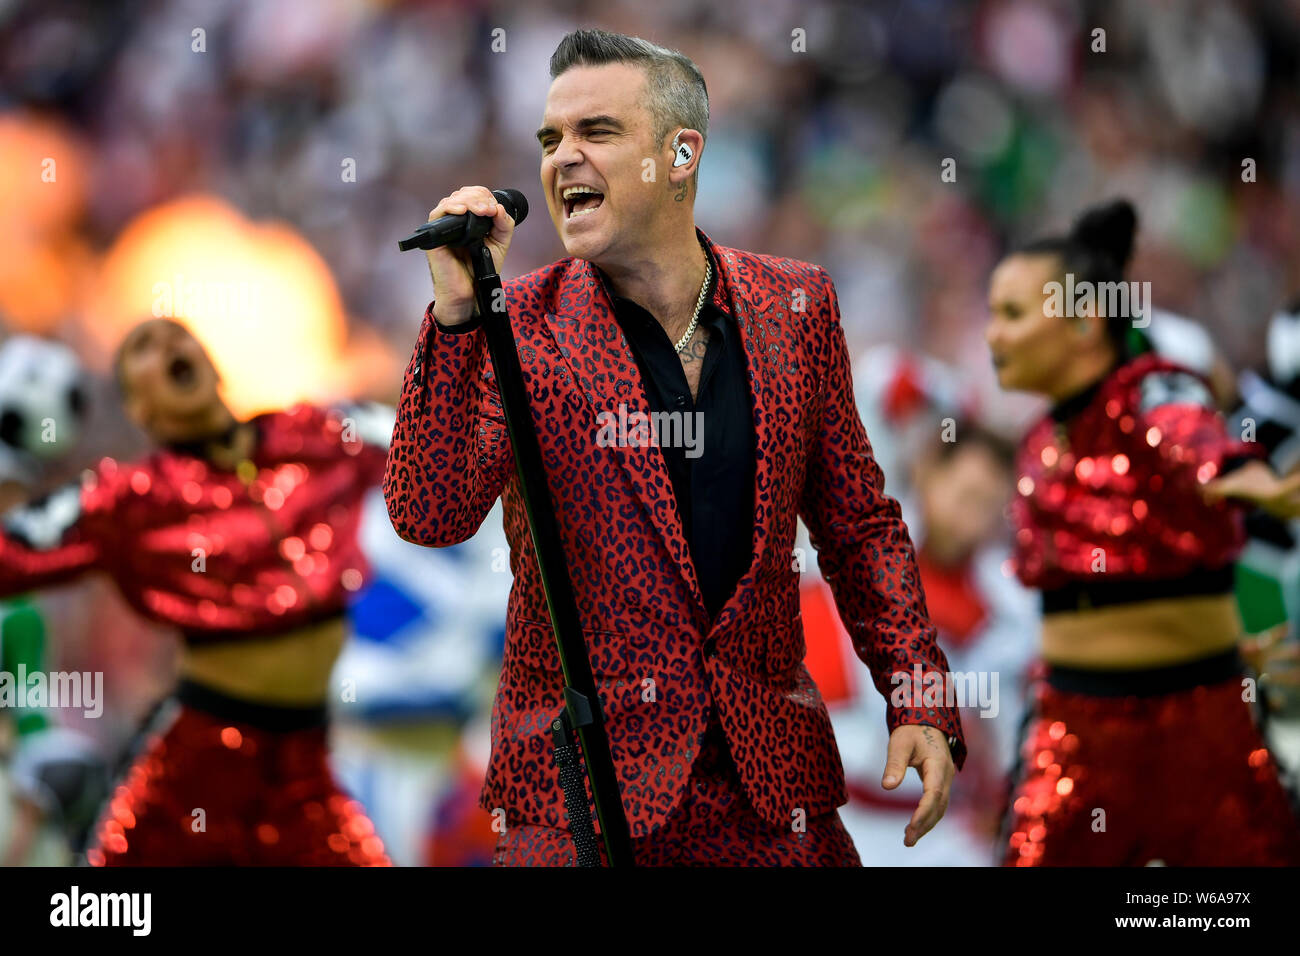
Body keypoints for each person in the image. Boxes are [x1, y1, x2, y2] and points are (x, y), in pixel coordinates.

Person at [384, 28, 965, 867]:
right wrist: (456, 319)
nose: (563, 159)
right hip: (580, 810)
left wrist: (916, 695)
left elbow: (859, 525)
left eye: (598, 133)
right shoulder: (520, 327)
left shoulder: (796, 306)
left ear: (681, 153)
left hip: (774, 799)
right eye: (551, 140)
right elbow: (428, 513)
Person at [0, 317, 392, 866]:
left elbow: (433, 437)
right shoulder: (129, 500)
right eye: (144, 348)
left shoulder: (318, 434)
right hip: (196, 767)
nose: (167, 345)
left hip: (305, 760)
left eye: (177, 337)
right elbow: (11, 554)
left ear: (213, 365)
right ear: (140, 411)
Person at [985, 198, 1300, 865]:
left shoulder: (1152, 396)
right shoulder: (1043, 440)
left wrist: (1250, 479)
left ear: (1084, 326)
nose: (992, 336)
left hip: (1193, 729)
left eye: (1012, 315)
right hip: (1074, 725)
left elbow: (1191, 437)